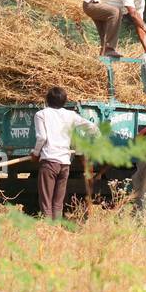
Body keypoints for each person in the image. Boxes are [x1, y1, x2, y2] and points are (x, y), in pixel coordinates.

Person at [32, 86, 99, 220]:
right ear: (64, 101)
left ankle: (48, 230)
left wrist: (35, 153)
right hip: (65, 164)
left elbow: (42, 138)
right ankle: (56, 229)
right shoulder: (71, 115)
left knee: (46, 201)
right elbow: (92, 128)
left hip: (49, 162)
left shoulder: (41, 114)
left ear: (47, 100)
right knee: (58, 202)